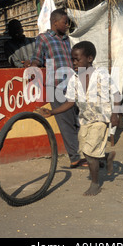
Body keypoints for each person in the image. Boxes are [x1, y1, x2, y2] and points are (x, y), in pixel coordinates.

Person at [36, 41, 120, 196]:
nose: (74, 63)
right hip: (85, 120)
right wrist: (52, 112)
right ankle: (107, 157)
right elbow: (70, 102)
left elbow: (116, 95)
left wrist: (115, 114)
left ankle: (95, 184)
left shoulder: (101, 74)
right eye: (72, 59)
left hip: (101, 119)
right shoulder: (73, 79)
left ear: (89, 58)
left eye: (77, 59)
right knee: (84, 149)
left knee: (89, 152)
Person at [25, 9, 85, 168]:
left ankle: (82, 153)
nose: (67, 25)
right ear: (55, 22)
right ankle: (75, 158)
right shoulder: (43, 38)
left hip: (72, 83)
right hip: (56, 85)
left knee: (77, 121)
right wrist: (32, 70)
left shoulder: (66, 40)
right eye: (65, 22)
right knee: (65, 123)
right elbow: (37, 59)